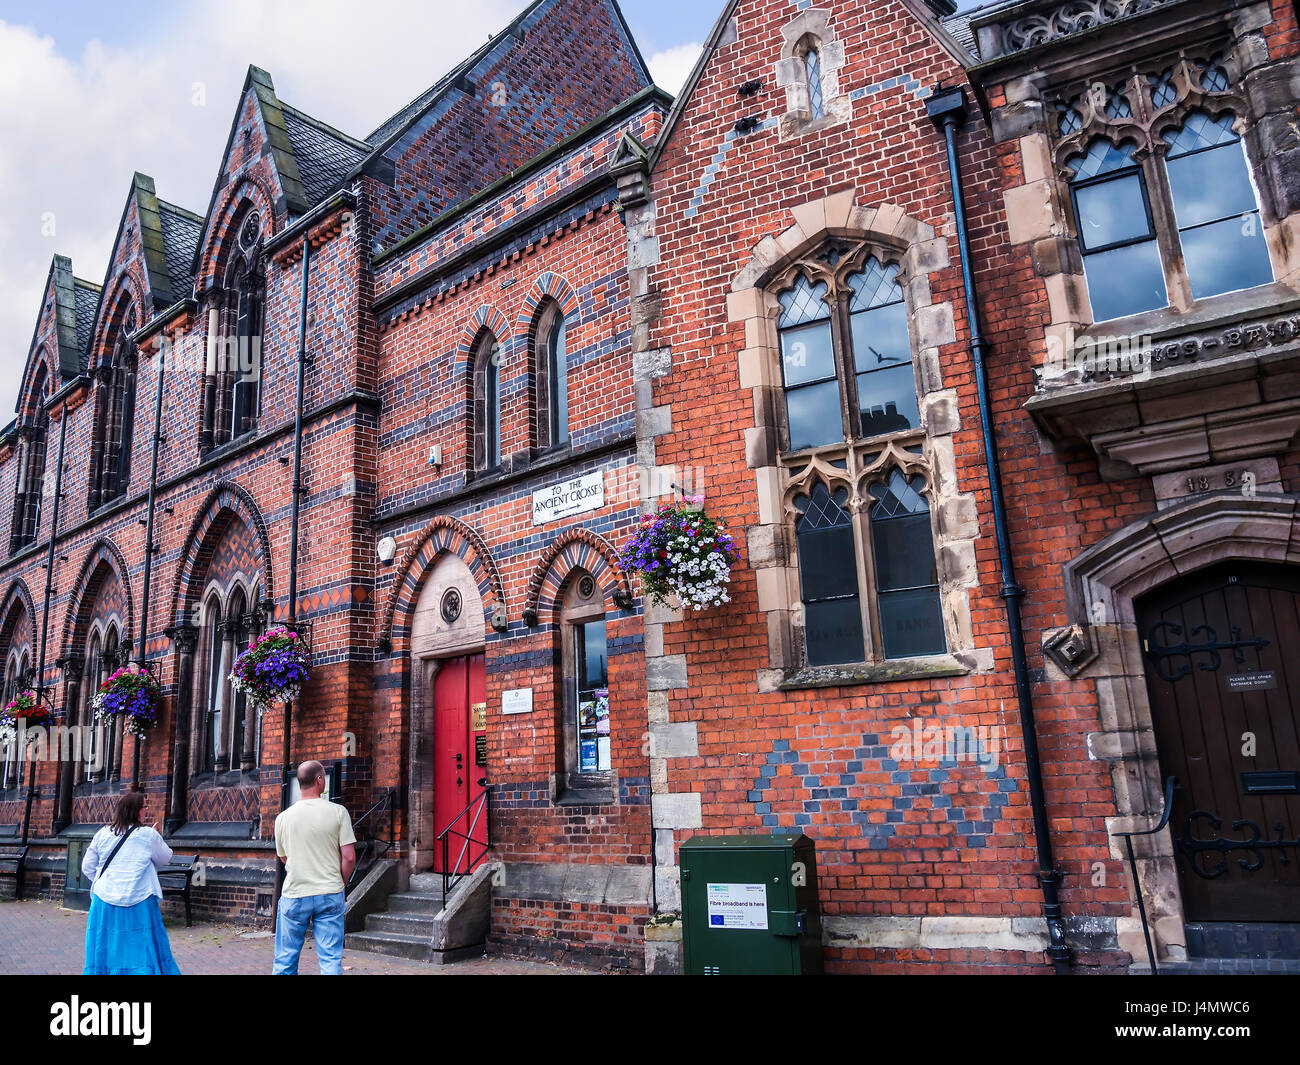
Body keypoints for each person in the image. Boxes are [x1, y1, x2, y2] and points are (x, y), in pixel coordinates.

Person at [82, 790, 182, 975]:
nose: (146, 811)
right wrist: (155, 836)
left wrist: (103, 882)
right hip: (140, 900)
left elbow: (87, 867)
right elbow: (165, 857)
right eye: (145, 807)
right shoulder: (148, 835)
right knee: (141, 949)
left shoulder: (102, 833)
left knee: (105, 947)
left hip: (104, 901)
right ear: (135, 811)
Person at [273, 760, 356, 975]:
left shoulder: (282, 819)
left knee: (285, 962)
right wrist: (341, 882)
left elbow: (284, 858)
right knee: (330, 961)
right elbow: (348, 857)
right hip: (329, 891)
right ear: (319, 780)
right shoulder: (338, 812)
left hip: (295, 892)